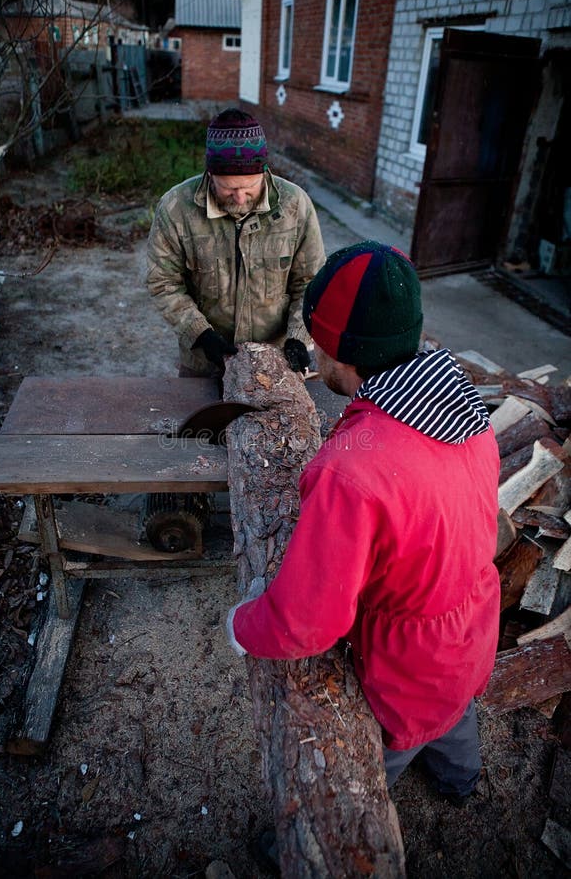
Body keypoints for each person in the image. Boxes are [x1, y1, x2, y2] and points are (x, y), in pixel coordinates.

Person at [226, 240, 501, 802]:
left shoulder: (351, 471)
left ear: (338, 354)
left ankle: (339, 824)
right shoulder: (464, 406)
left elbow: (308, 622)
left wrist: (242, 625)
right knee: (454, 716)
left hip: (406, 665)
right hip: (471, 630)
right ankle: (461, 781)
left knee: (379, 760)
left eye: (318, 344)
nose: (315, 356)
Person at [146, 108, 325, 377]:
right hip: (206, 362)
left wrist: (299, 337)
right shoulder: (175, 208)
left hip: (278, 362)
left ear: (264, 172)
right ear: (210, 174)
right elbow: (163, 283)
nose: (240, 198)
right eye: (228, 189)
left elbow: (311, 282)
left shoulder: (295, 206)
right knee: (201, 420)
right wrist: (200, 334)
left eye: (249, 187)